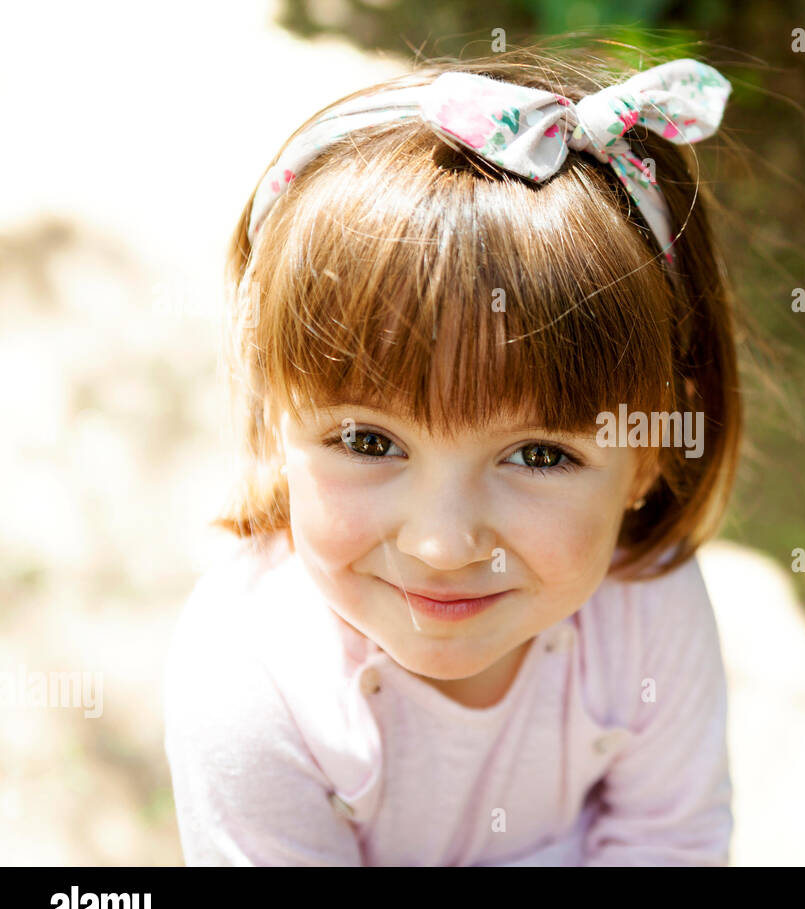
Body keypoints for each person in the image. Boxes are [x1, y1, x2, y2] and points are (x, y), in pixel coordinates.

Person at [163, 48, 749, 865]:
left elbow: (672, 840)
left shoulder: (646, 607)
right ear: (273, 413)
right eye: (369, 442)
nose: (441, 546)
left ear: (650, 451)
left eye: (541, 455)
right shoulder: (250, 685)